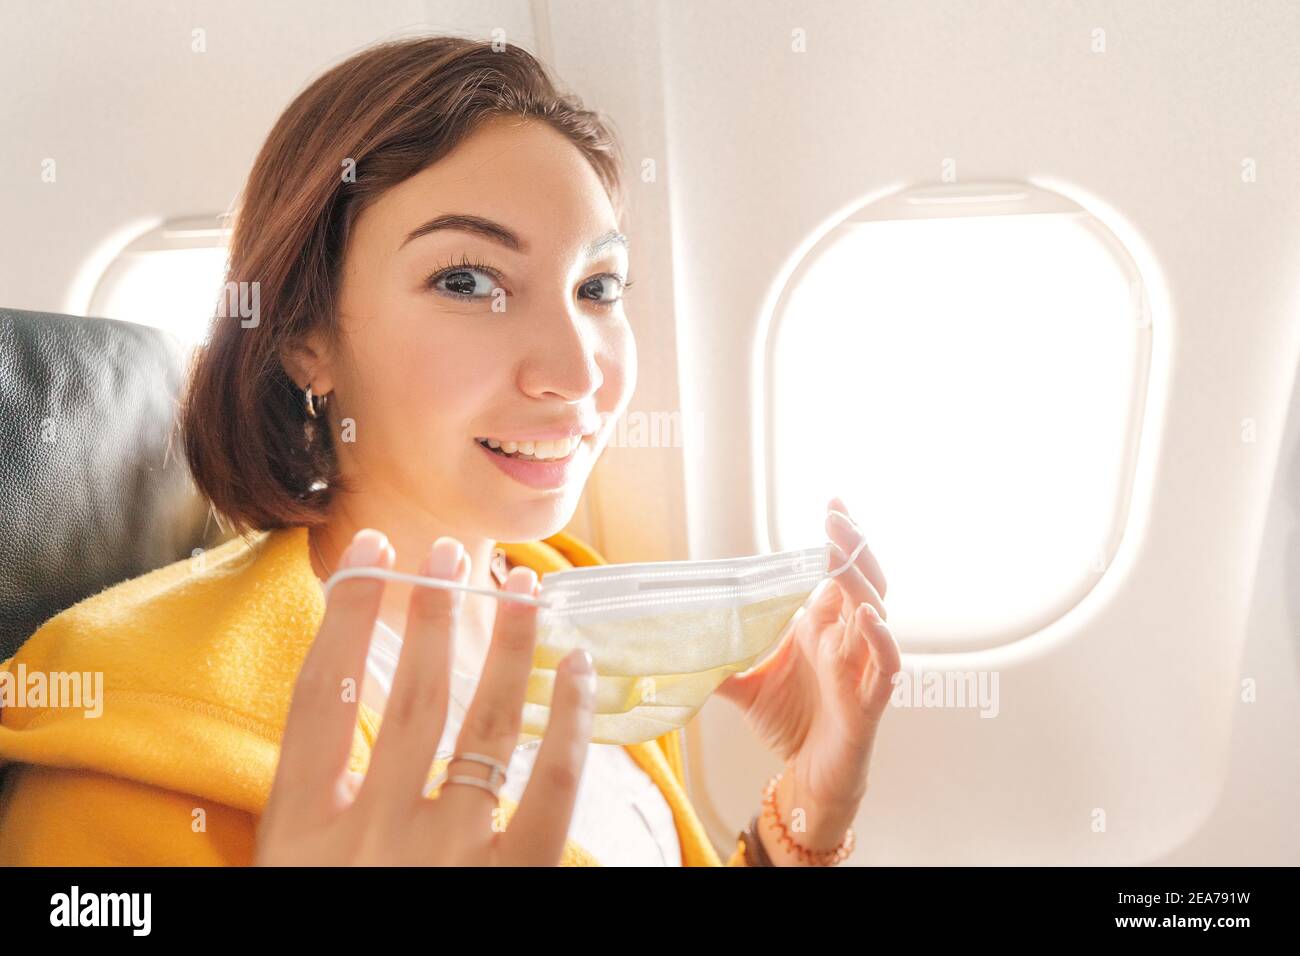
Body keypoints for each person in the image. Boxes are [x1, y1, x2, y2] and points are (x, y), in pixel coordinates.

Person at [0, 35, 898, 866]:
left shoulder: (564, 598)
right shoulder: (128, 738)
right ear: (305, 334)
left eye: (597, 285)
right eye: (468, 282)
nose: (576, 370)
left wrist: (806, 819)